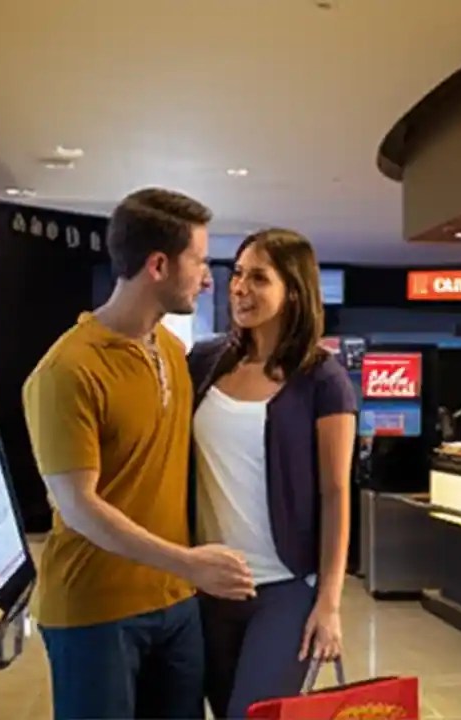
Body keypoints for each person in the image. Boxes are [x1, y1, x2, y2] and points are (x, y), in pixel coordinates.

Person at [22, 188, 256, 720]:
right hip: (95, 610)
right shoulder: (67, 371)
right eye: (198, 261)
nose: (207, 277)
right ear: (158, 265)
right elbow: (79, 507)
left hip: (175, 604)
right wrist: (189, 562)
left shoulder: (172, 350)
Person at [188, 228, 357, 718]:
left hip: (285, 588)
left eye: (259, 277)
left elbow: (335, 493)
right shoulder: (205, 362)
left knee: (253, 714)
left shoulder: (322, 379)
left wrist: (329, 602)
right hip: (208, 587)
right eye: (237, 274)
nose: (240, 288)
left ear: (294, 291)